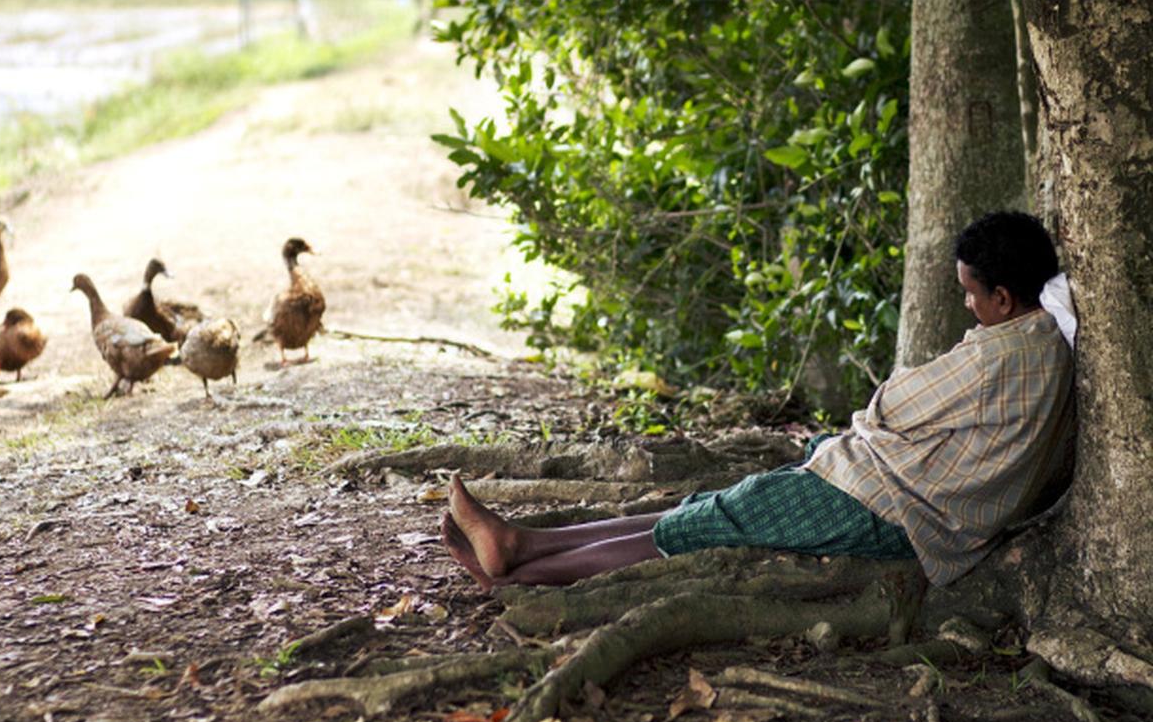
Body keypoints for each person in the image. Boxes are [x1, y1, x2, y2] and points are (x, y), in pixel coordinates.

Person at [442, 211, 1076, 590]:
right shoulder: (1038, 341)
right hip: (906, 497)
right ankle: (521, 543)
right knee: (713, 506)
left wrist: (866, 425)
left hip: (899, 511)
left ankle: (522, 574)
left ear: (1002, 298)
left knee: (714, 520)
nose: (966, 305)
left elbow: (893, 405)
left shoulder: (1002, 354)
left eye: (971, 294)